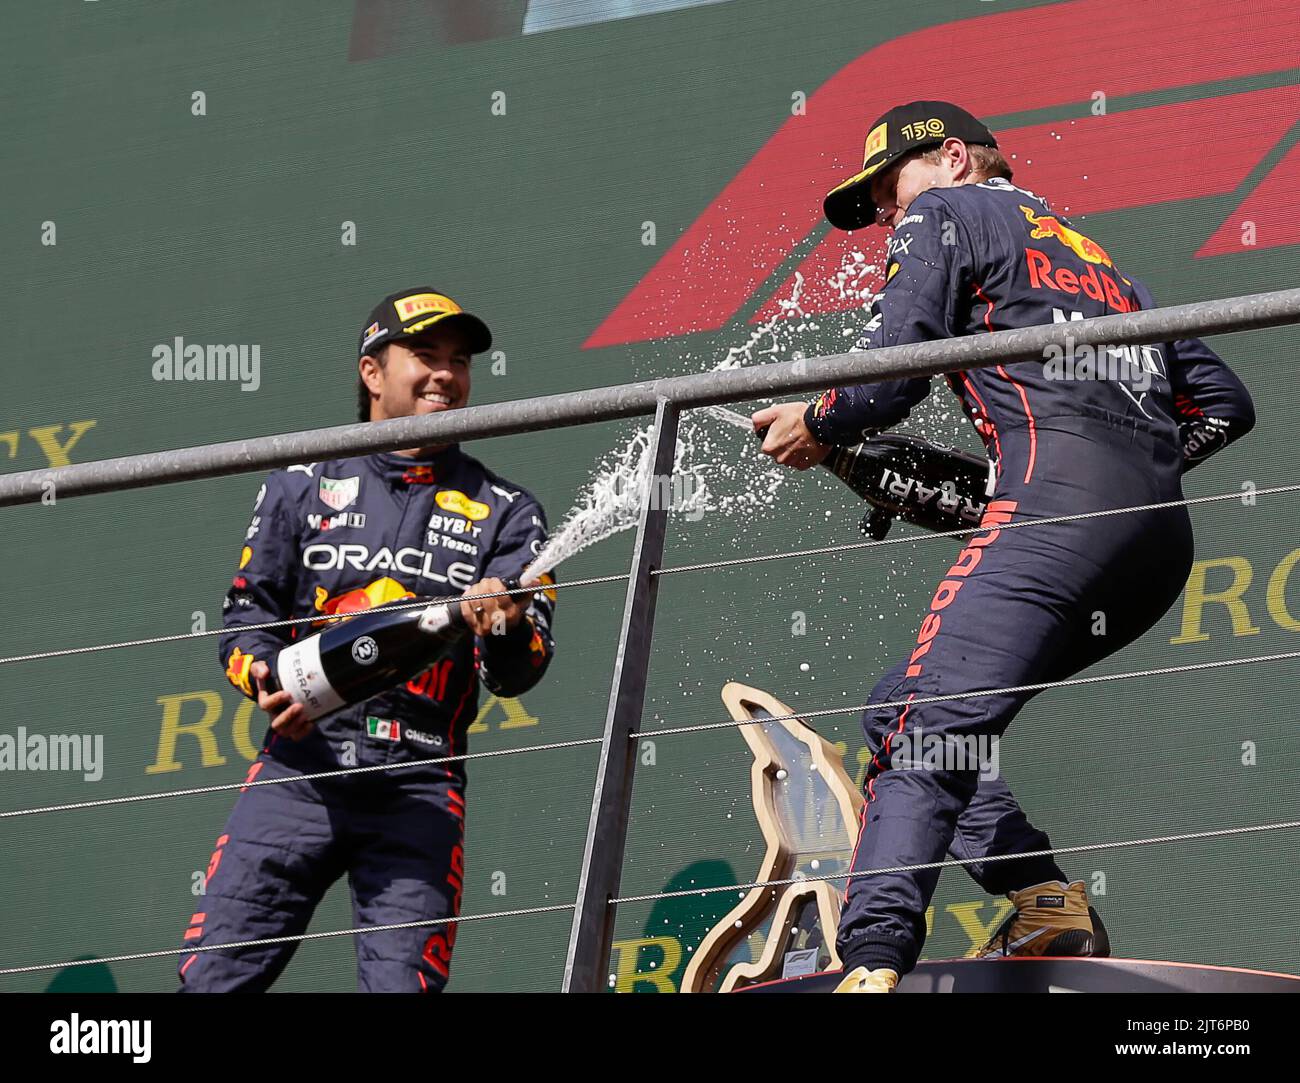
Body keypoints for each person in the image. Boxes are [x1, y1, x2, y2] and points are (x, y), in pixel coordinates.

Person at [754, 102, 1255, 993]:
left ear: (950, 160)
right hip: (1154, 545)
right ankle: (1043, 896)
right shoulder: (1104, 264)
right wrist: (1117, 474)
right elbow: (1225, 403)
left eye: (885, 191)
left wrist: (817, 420)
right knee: (903, 702)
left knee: (920, 732)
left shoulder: (945, 213)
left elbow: (892, 371)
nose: (882, 216)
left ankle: (868, 969)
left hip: (1057, 517)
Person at [179, 287, 558, 992]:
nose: (446, 374)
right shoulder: (300, 482)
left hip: (422, 779)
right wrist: (268, 679)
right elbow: (246, 618)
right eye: (425, 355)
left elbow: (519, 670)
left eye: (460, 360)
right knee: (209, 984)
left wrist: (502, 618)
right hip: (300, 767)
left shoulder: (509, 512)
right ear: (372, 371)